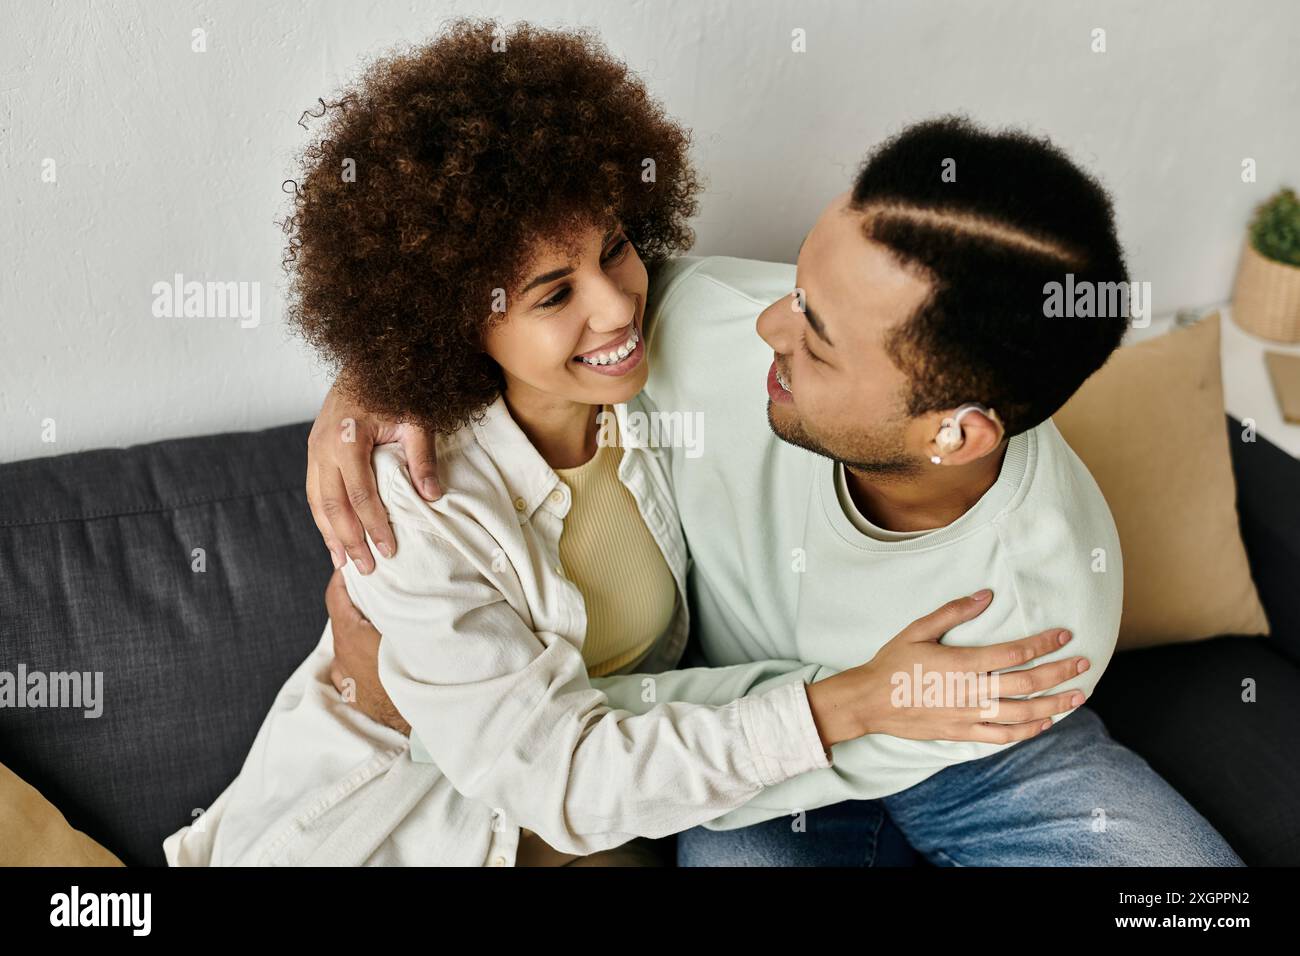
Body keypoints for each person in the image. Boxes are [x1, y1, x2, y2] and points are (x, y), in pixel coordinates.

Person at [163, 23, 1079, 868]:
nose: (616, 306)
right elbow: (560, 778)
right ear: (447, 321)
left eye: (616, 248)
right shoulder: (411, 499)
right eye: (554, 295)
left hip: (620, 823)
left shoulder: (653, 391)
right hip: (390, 837)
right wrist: (861, 699)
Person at [314, 115, 1245, 866]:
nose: (764, 322)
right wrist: (370, 380)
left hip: (960, 746)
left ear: (951, 431)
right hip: (751, 760)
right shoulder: (699, 331)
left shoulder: (1046, 601)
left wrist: (861, 705)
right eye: (795, 287)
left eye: (815, 330)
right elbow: (488, 285)